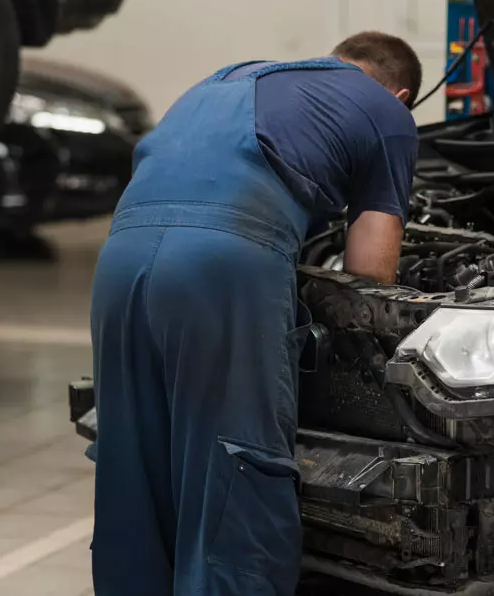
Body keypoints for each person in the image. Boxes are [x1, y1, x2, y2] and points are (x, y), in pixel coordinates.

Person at [88, 32, 422, 596]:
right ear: (404, 94)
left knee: (134, 469)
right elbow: (370, 272)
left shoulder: (231, 76)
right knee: (235, 474)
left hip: (120, 262)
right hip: (221, 262)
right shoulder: (388, 113)